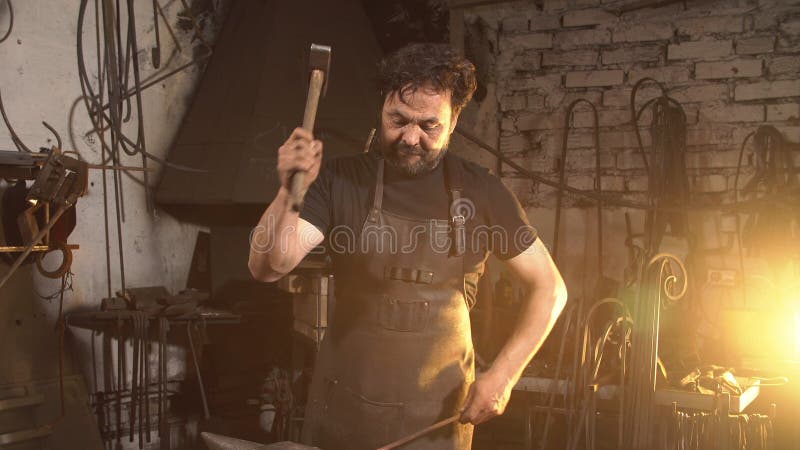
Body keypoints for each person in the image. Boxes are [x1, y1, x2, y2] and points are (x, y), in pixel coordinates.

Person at [248, 43, 567, 450]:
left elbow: (551, 288)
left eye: (428, 126)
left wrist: (503, 376)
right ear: (382, 107)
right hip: (342, 414)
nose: (410, 138)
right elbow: (269, 266)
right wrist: (287, 192)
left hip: (437, 421)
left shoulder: (482, 191)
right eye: (397, 120)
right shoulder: (340, 180)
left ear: (454, 122)